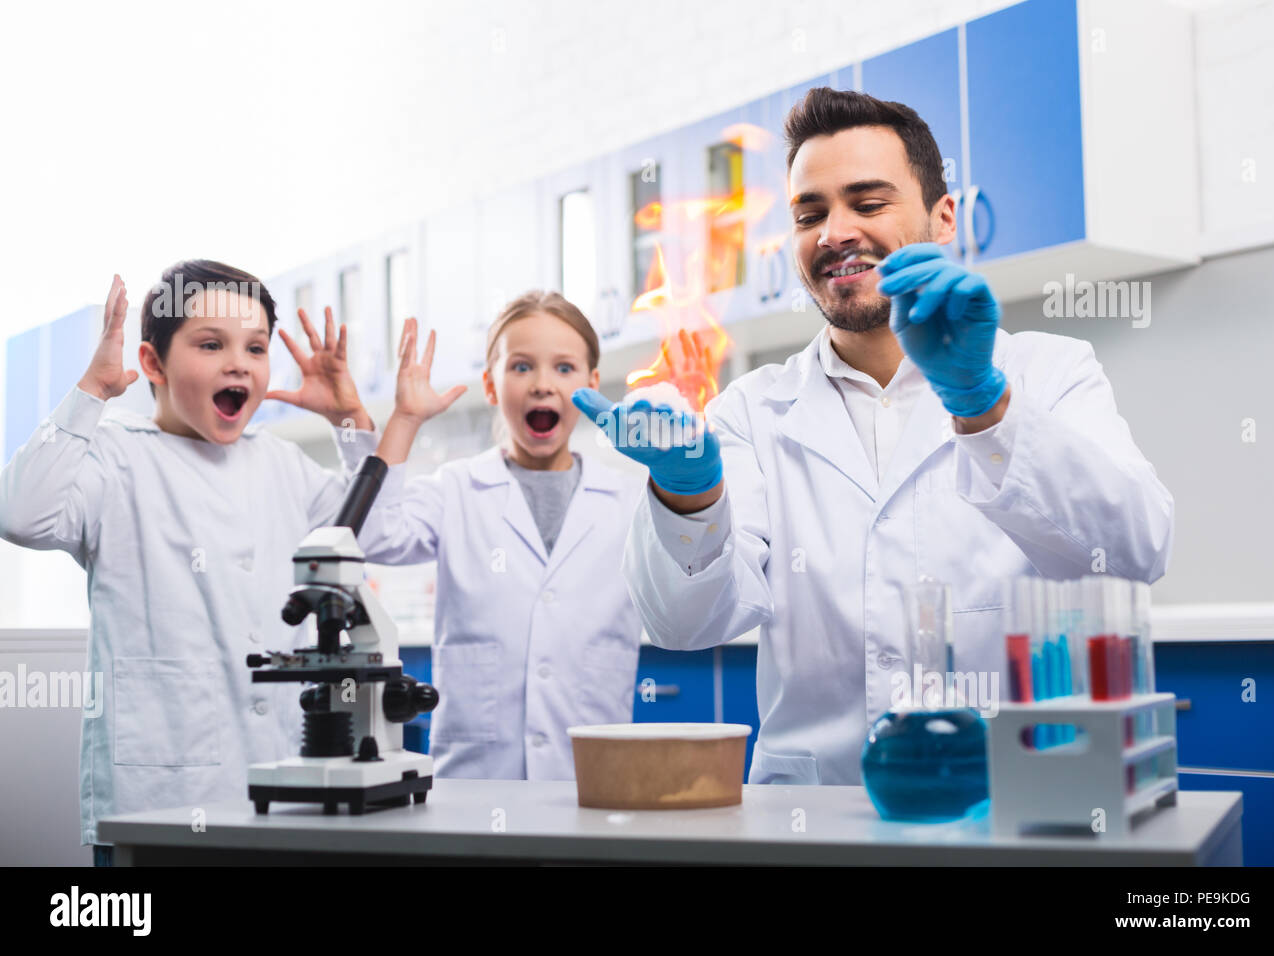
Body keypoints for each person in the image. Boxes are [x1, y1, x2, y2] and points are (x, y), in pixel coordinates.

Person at [575, 87, 1175, 786]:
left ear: (943, 217)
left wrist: (984, 406)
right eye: (810, 212)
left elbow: (1135, 548)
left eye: (867, 203)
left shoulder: (1048, 373)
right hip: (814, 817)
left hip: (1017, 804)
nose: (834, 232)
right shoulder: (752, 412)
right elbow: (684, 626)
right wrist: (689, 498)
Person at [0, 261, 380, 863]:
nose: (239, 363)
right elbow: (20, 513)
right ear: (152, 364)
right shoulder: (116, 457)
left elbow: (376, 533)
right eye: (211, 344)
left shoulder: (281, 464)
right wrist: (92, 393)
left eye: (256, 348)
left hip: (280, 793)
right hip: (158, 800)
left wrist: (348, 420)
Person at [343, 291, 654, 779]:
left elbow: (694, 576)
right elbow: (374, 535)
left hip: (589, 781)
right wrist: (405, 419)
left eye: (565, 368)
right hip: (476, 781)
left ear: (594, 385)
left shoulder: (631, 499)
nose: (543, 385)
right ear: (490, 385)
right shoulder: (457, 489)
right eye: (522, 367)